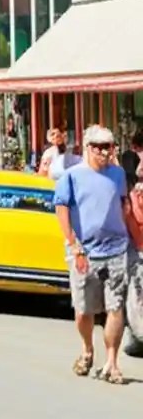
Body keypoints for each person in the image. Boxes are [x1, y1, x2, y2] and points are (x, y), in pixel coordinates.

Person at [55, 125, 141, 385]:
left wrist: (135, 239)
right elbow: (62, 210)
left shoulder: (117, 174)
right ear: (88, 148)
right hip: (84, 252)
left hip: (116, 249)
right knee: (84, 310)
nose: (105, 152)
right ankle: (87, 349)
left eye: (109, 146)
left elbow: (123, 205)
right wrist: (74, 244)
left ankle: (112, 362)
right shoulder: (71, 176)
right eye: (100, 147)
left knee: (115, 307)